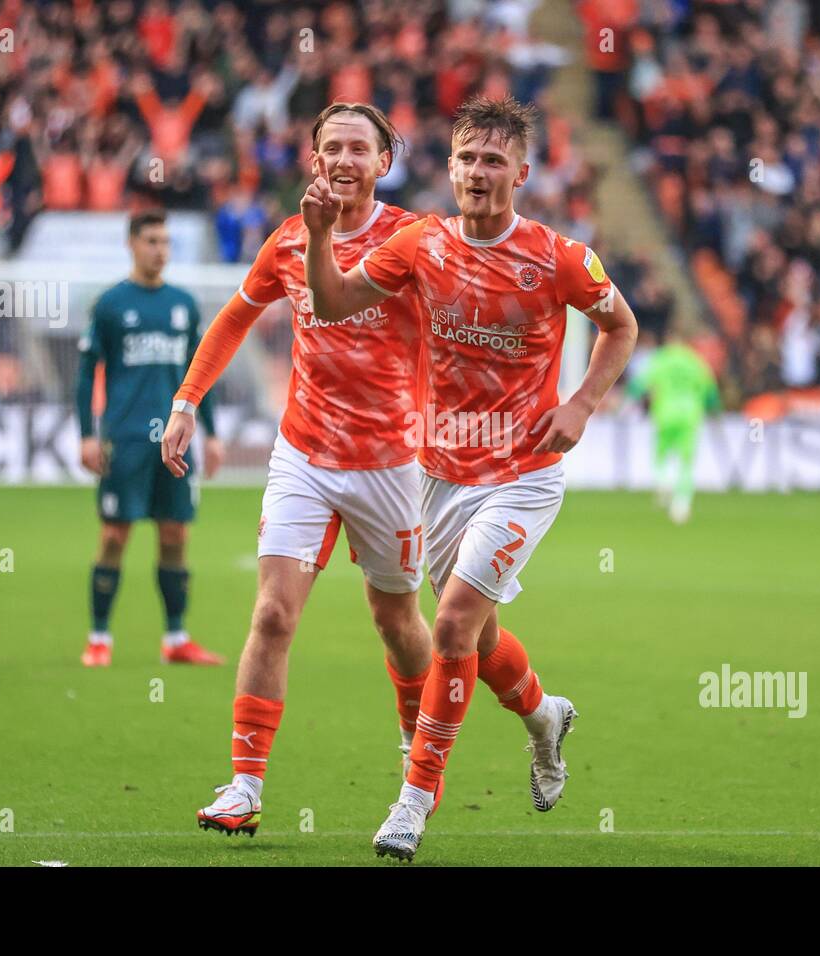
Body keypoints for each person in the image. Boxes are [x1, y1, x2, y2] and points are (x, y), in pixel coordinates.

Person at [300, 94, 639, 860]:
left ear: (522, 172)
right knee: (479, 644)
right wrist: (322, 237)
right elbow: (331, 300)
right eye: (466, 159)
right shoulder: (423, 245)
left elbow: (623, 326)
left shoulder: (560, 257)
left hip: (524, 472)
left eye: (493, 161)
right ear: (448, 168)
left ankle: (414, 801)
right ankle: (546, 719)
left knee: (449, 624)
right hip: (441, 475)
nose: (478, 173)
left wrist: (582, 403)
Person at [161, 104, 434, 838]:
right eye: (331, 147)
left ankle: (419, 755)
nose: (344, 159)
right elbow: (234, 319)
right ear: (313, 159)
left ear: (385, 160)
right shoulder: (287, 240)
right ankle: (244, 785)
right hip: (305, 455)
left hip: (391, 464)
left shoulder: (415, 240)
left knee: (397, 620)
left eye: (359, 148)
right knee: (273, 613)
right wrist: (187, 399)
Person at [75, 210, 225, 668]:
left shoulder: (183, 304)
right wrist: (86, 434)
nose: (160, 250)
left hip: (175, 441)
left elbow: (201, 373)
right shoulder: (111, 305)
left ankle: (176, 638)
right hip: (126, 438)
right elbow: (86, 375)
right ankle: (99, 638)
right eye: (152, 241)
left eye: (165, 242)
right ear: (132, 244)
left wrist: (213, 433)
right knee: (115, 536)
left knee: (175, 533)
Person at [627, 327, 720, 523]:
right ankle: (682, 504)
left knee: (661, 452)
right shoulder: (695, 361)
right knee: (686, 460)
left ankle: (663, 483)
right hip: (690, 414)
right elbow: (711, 391)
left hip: (665, 412)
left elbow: (638, 384)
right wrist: (716, 411)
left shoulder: (660, 360)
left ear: (668, 340)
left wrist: (629, 402)